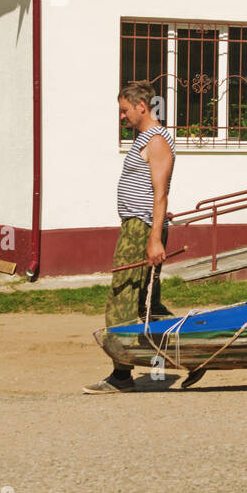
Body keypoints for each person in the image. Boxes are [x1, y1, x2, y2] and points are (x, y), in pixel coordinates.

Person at [84, 81, 176, 394]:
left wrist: (154, 238)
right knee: (147, 301)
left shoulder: (157, 141)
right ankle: (183, 350)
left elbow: (160, 193)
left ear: (141, 106)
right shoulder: (145, 139)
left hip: (140, 229)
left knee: (122, 295)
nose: (122, 116)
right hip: (138, 225)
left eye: (125, 110)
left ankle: (122, 375)